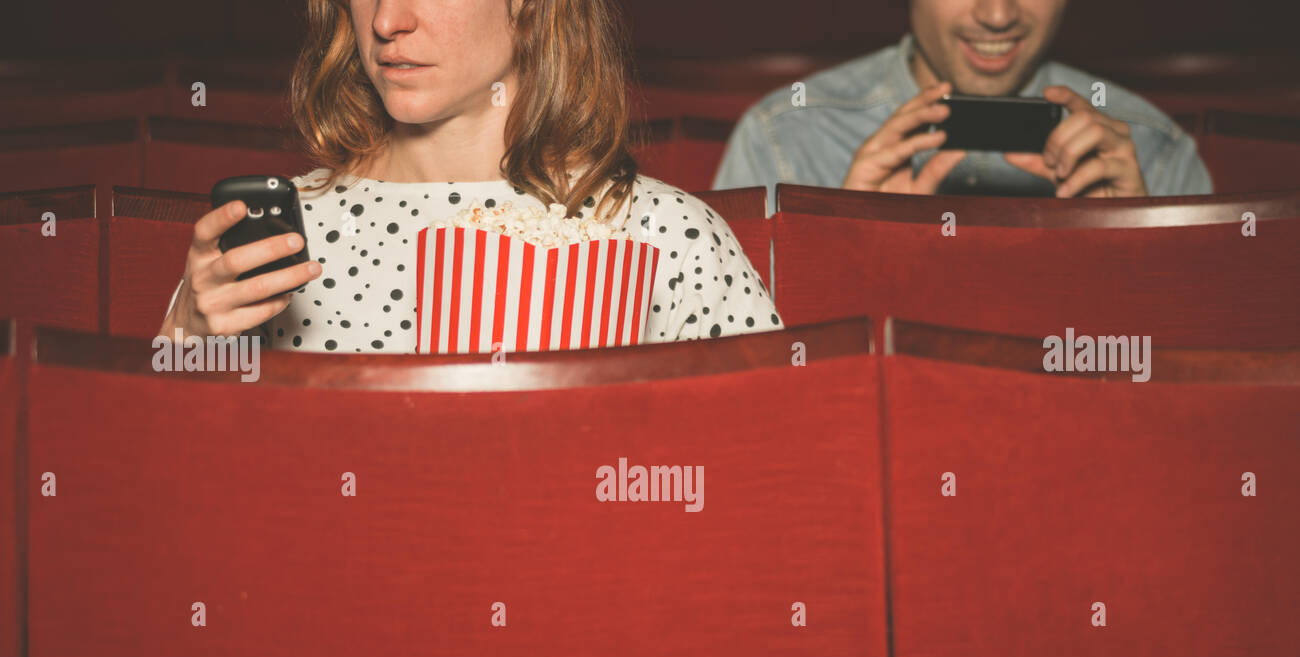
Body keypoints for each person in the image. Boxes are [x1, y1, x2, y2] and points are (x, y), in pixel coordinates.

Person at [160, 0, 781, 352]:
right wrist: (186, 339)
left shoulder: (665, 233)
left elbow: (770, 477)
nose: (386, 22)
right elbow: (169, 498)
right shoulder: (277, 235)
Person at [714, 0, 1212, 204]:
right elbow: (746, 385)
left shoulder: (1155, 152)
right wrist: (850, 252)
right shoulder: (782, 138)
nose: (997, 15)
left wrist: (1143, 252)